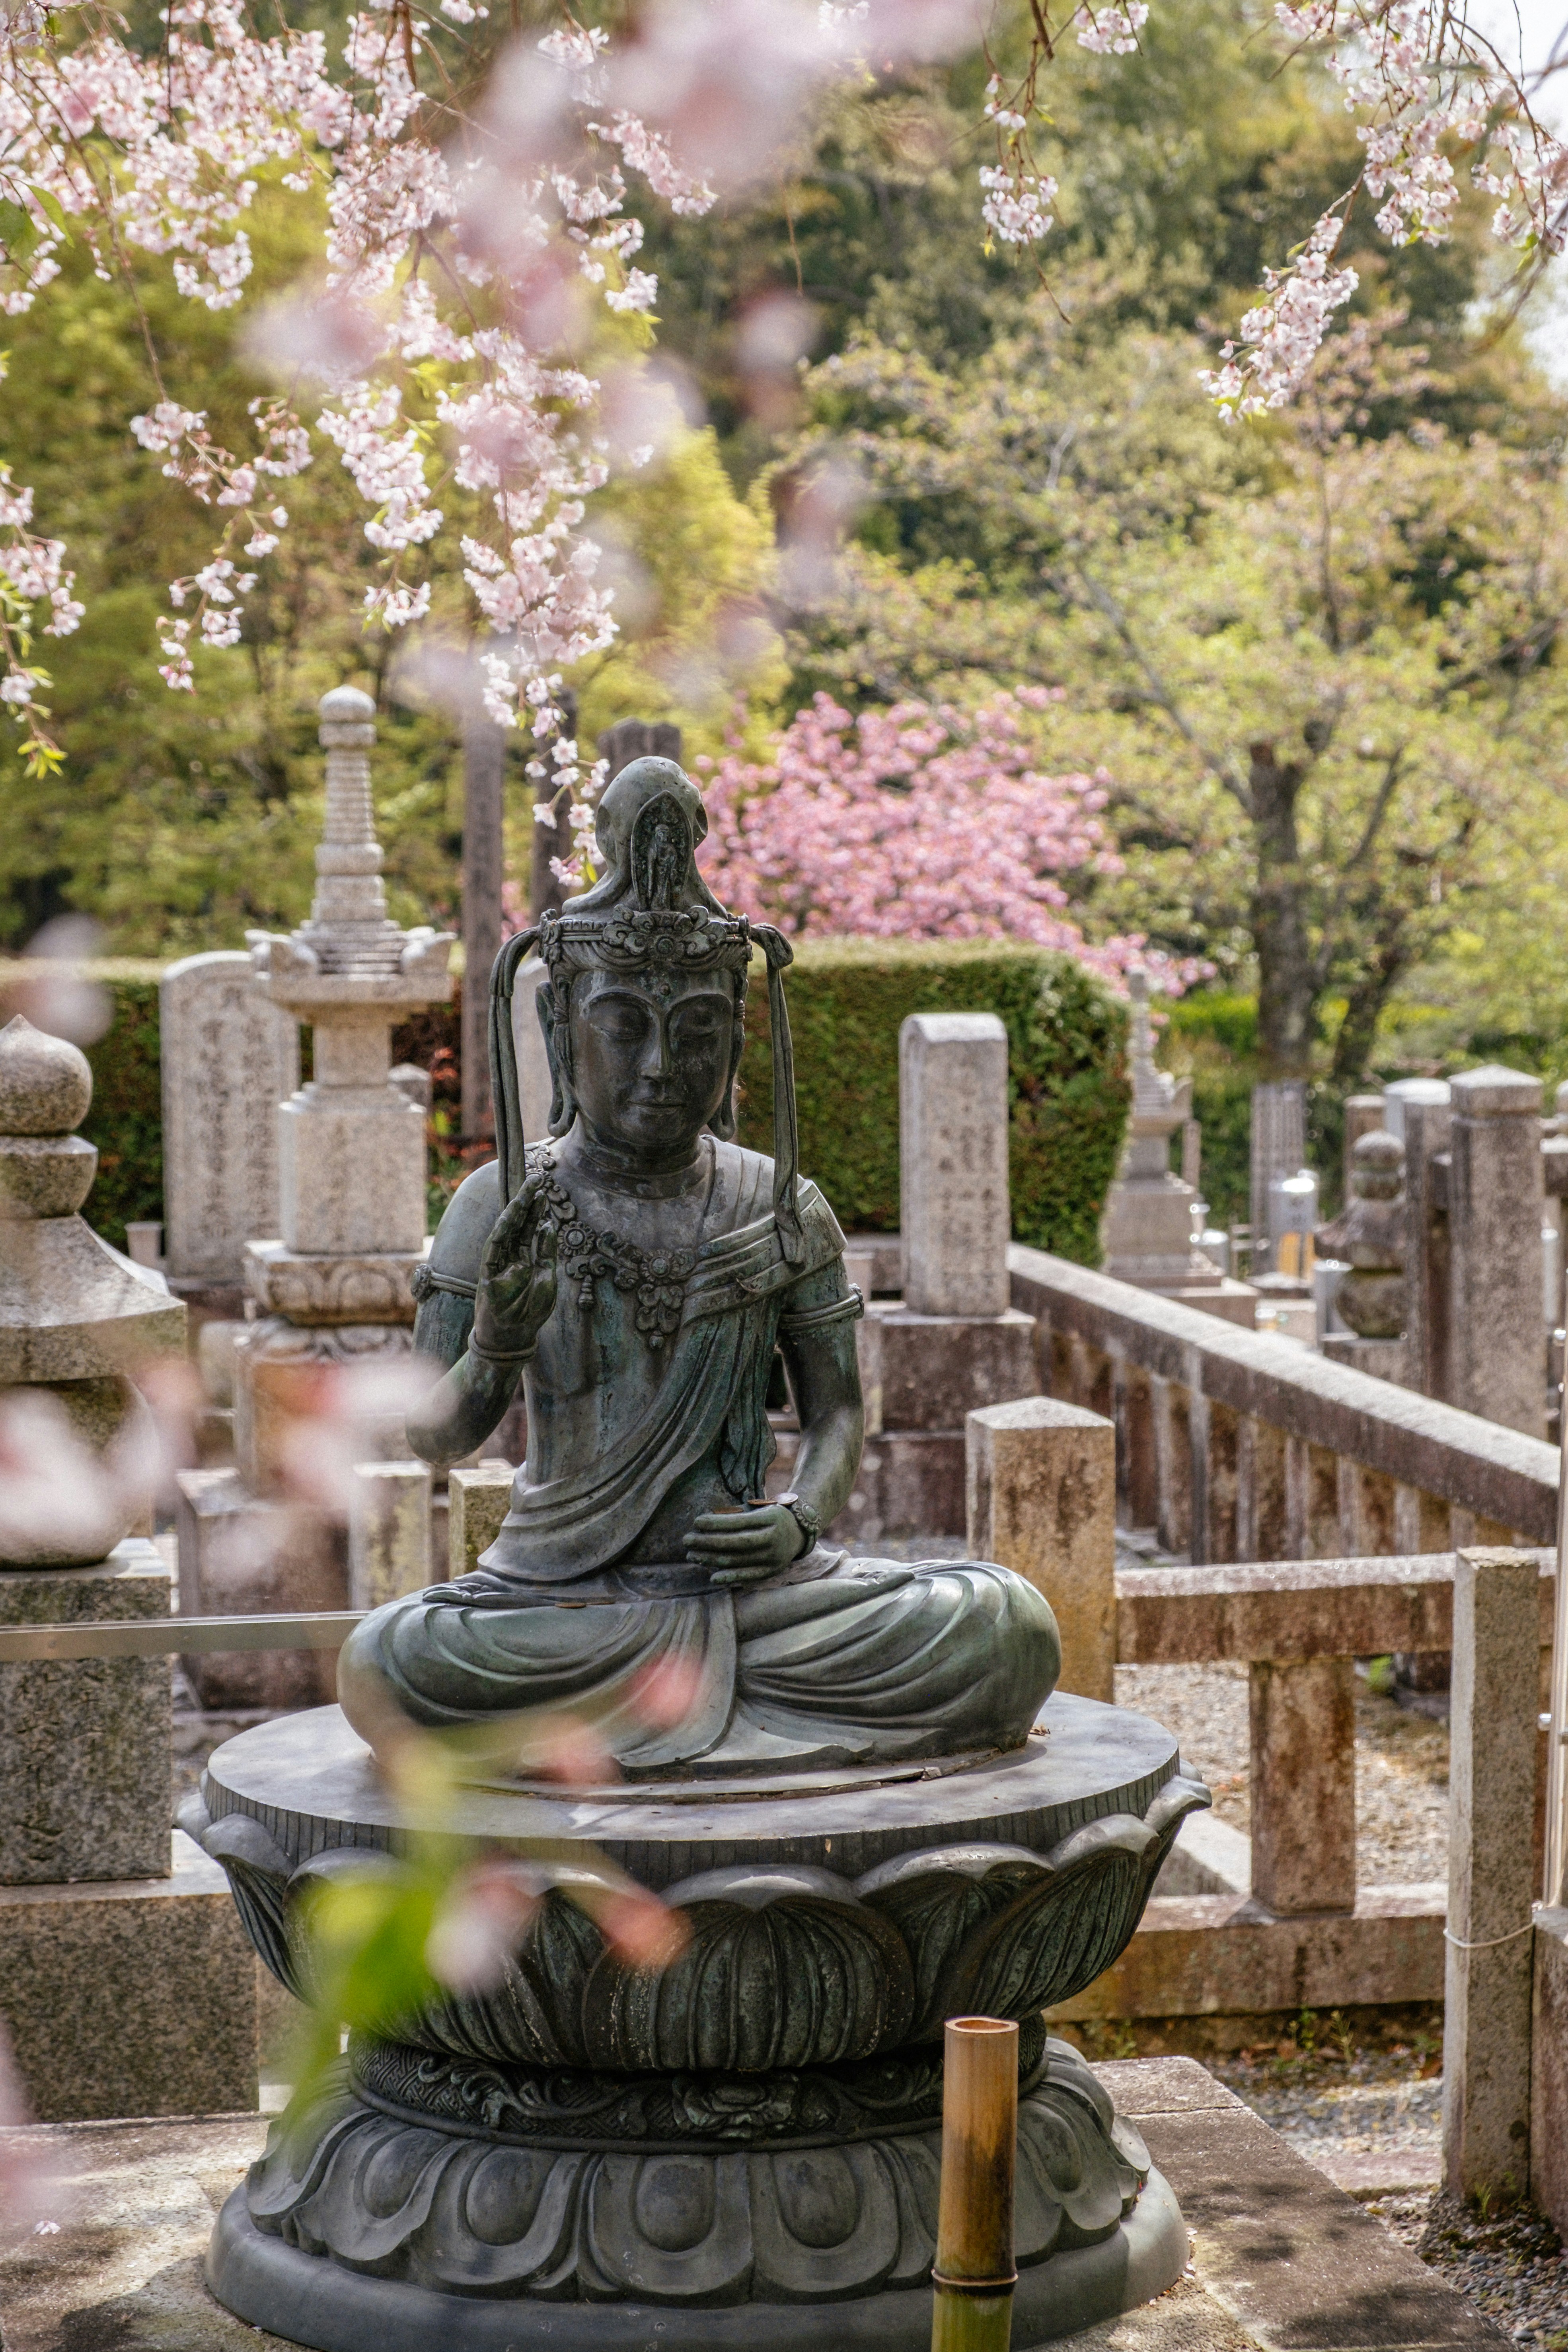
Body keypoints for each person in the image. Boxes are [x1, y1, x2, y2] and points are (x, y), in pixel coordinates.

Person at [337, 756, 1060, 1776]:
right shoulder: (501, 1202)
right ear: (559, 1027)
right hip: (562, 1598)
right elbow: (432, 1435)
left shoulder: (779, 1202)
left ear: (735, 1039)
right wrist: (497, 1348)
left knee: (1007, 1625)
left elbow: (839, 1412)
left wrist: (800, 1519)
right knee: (387, 1665)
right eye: (624, 1028)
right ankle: (709, 1716)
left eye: (699, 1031)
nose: (660, 1067)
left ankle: (661, 1717)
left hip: (754, 1596)